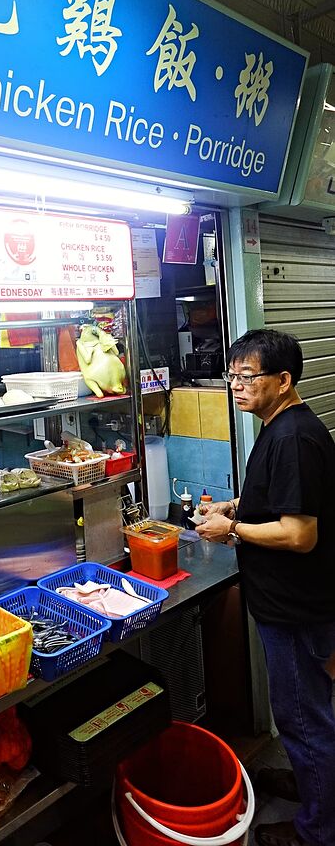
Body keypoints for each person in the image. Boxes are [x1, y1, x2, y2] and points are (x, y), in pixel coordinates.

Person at [197, 329, 335, 846]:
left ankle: (318, 831)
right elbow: (281, 504)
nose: (235, 385)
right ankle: (310, 785)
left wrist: (232, 529)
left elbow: (300, 534)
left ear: (283, 379)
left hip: (297, 607)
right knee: (304, 712)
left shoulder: (293, 437)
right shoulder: (280, 426)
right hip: (291, 602)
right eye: (231, 375)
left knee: (303, 717)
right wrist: (238, 508)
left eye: (247, 376)